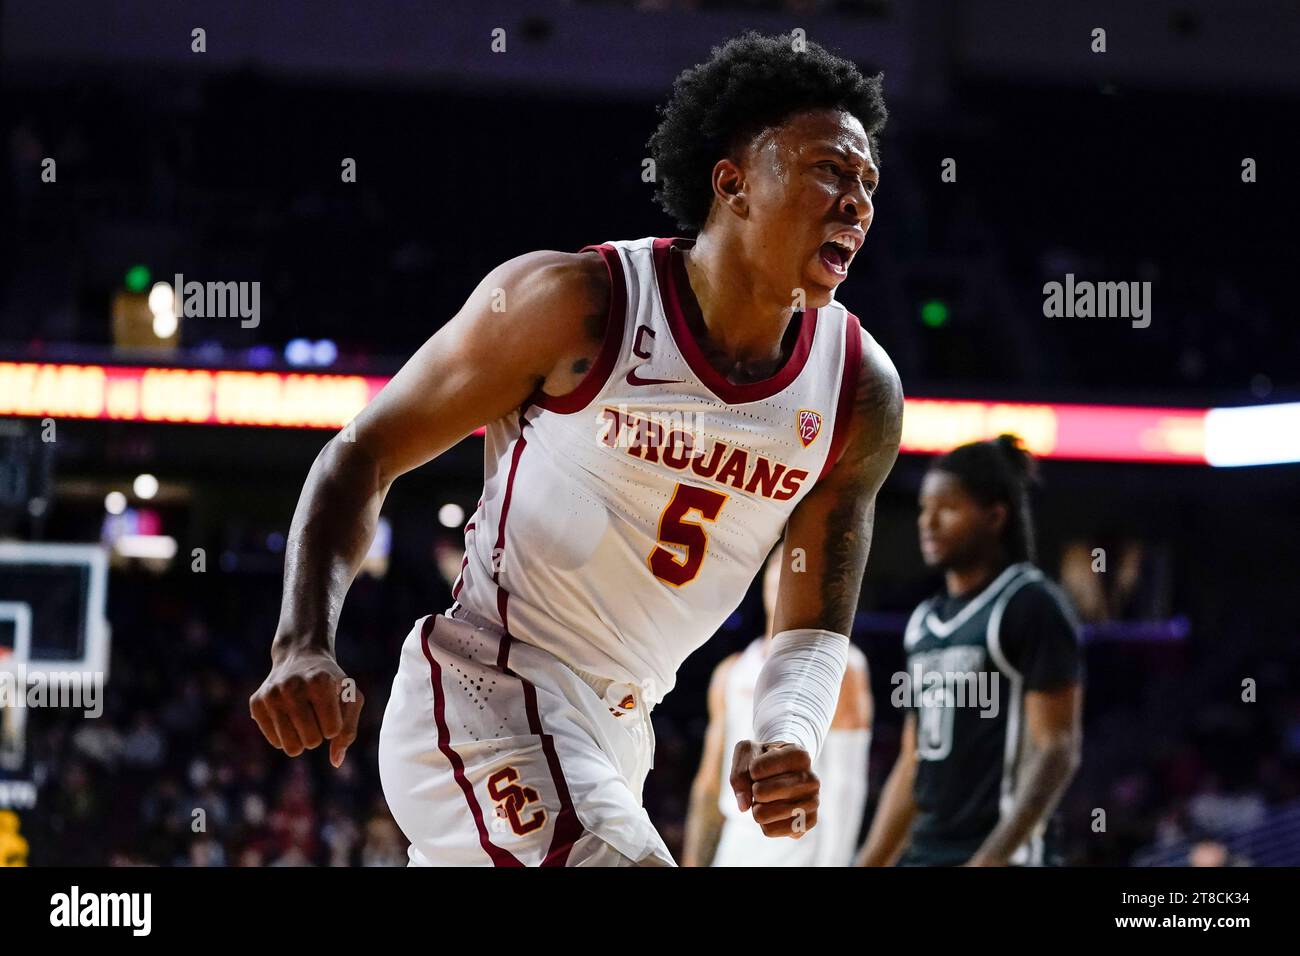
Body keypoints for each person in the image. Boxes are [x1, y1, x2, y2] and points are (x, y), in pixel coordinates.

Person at [251, 31, 903, 867]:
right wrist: (301, 638)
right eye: (827, 170)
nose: (855, 201)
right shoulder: (574, 305)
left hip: (618, 737)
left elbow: (811, 624)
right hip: (488, 688)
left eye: (866, 183)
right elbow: (363, 453)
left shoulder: (856, 390)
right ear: (732, 183)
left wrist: (785, 735)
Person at [857, 435, 1083, 867]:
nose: (929, 522)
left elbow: (1057, 749)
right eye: (924, 509)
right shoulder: (922, 622)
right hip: (925, 852)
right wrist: (868, 862)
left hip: (1000, 854)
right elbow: (912, 761)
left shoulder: (1030, 604)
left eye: (948, 508)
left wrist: (991, 860)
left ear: (995, 516)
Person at [683, 546, 871, 866]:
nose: (788, 577)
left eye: (802, 568)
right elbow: (709, 783)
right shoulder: (731, 670)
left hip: (798, 851)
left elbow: (846, 787)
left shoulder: (842, 667)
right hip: (735, 846)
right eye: (779, 568)